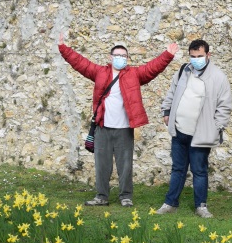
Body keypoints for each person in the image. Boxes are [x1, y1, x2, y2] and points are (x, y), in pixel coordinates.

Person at [58, 35, 178, 207]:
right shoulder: (99, 72)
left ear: (127, 59)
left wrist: (167, 54)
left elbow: (153, 68)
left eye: (124, 56)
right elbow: (80, 63)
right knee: (102, 165)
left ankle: (126, 197)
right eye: (117, 55)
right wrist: (64, 48)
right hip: (102, 128)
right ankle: (101, 197)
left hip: (124, 129)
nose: (121, 58)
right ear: (110, 57)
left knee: (125, 166)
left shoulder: (134, 74)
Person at [155, 39, 232, 219]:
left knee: (199, 170)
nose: (196, 59)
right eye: (192, 56)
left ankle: (201, 206)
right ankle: (170, 203)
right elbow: (172, 93)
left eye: (199, 56)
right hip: (180, 130)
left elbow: (225, 106)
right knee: (177, 168)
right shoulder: (184, 70)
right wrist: (167, 111)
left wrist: (216, 128)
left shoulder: (218, 77)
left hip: (201, 134)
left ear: (208, 55)